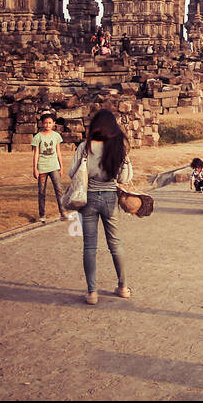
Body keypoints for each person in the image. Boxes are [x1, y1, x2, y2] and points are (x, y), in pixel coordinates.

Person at [72, 109, 132, 305]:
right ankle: (123, 287)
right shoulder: (118, 147)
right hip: (110, 199)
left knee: (90, 246)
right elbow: (125, 178)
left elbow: (73, 172)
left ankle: (92, 292)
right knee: (115, 243)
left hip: (88, 198)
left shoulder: (85, 146)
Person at [31, 111, 67, 223]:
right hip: (42, 167)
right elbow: (36, 153)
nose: (47, 125)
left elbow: (58, 152)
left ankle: (63, 211)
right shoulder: (38, 137)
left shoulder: (56, 136)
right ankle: (42, 214)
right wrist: (35, 169)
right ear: (42, 123)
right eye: (45, 123)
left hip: (54, 166)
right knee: (42, 191)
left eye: (50, 123)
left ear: (54, 124)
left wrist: (61, 166)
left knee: (59, 189)